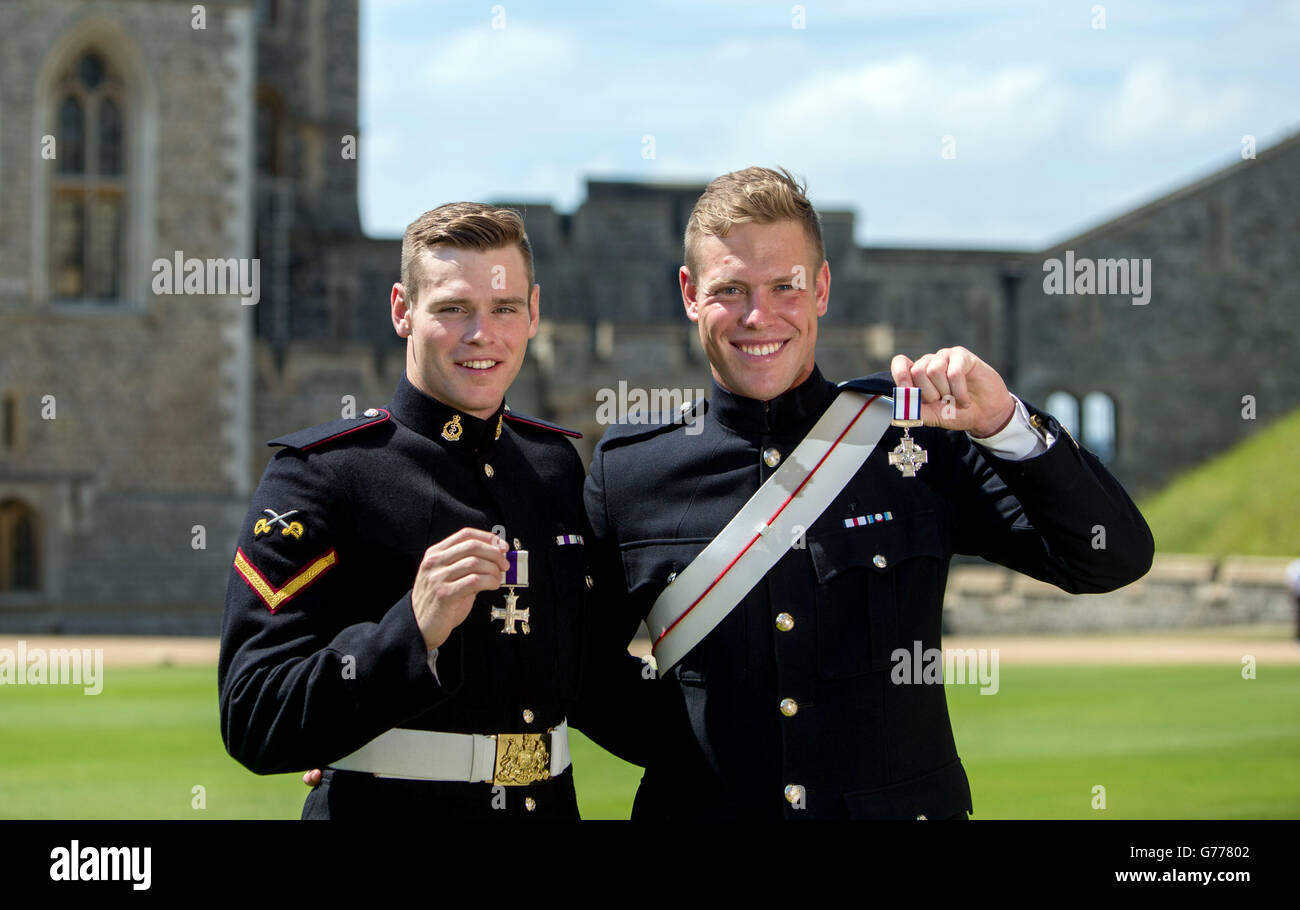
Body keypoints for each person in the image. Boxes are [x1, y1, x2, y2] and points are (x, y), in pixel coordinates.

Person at [584, 167, 1155, 820]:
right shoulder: (630, 469)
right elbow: (583, 672)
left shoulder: (918, 437)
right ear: (689, 293)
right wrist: (703, 750)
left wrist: (1005, 425)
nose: (757, 315)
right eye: (731, 289)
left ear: (821, 287)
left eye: (783, 287)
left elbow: (1111, 557)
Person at [220, 202, 647, 819]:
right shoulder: (321, 474)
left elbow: (594, 684)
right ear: (402, 311)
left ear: (533, 314)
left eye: (504, 308)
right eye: (453, 308)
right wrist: (411, 631)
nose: (483, 334)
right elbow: (253, 716)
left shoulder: (554, 468)